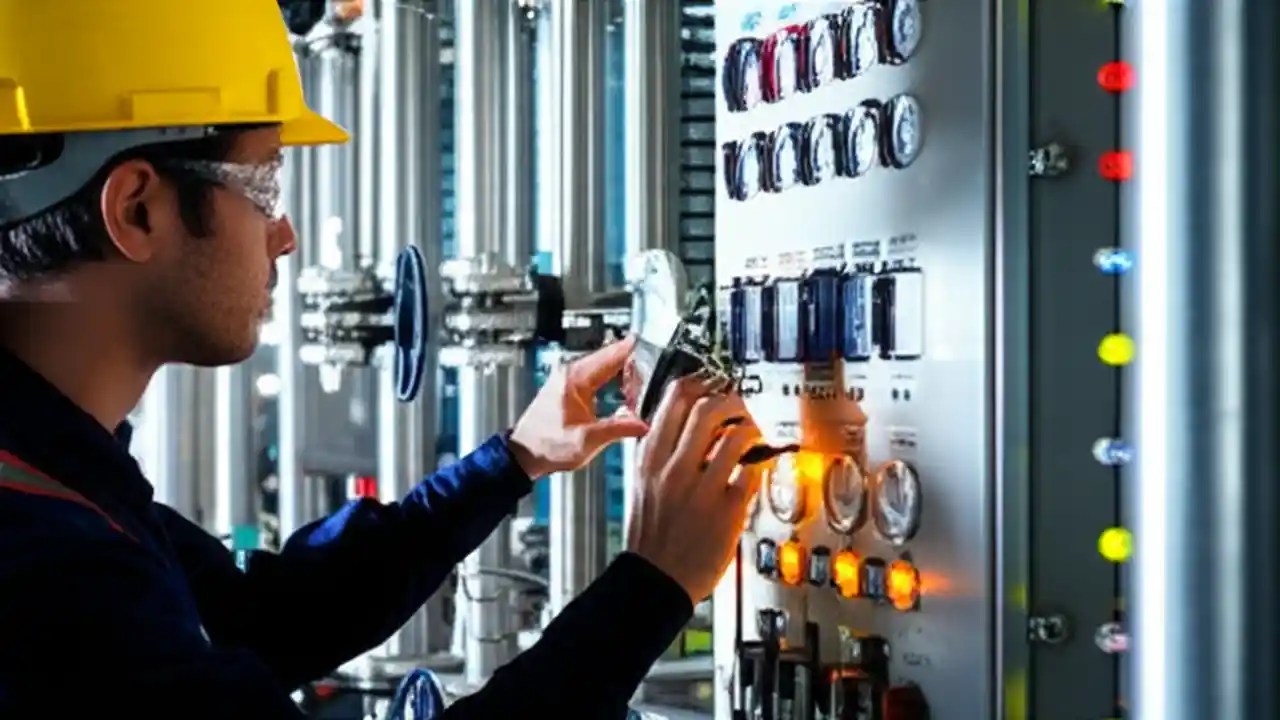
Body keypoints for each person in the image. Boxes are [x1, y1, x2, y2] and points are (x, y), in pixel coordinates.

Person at [0, 1, 762, 717]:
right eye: (264, 184)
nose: (285, 236)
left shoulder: (56, 483)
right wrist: (653, 583)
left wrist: (512, 461)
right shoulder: (48, 569)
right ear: (137, 208)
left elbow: (263, 617)